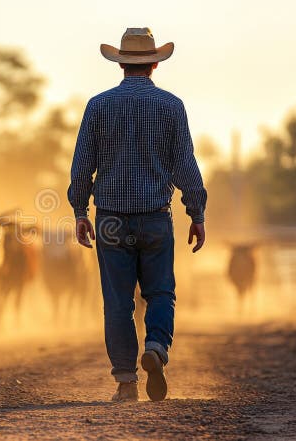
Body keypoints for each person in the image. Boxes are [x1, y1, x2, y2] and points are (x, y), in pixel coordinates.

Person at [67, 27, 207, 402]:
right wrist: (197, 212)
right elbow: (185, 166)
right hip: (155, 217)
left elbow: (82, 167)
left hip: (110, 218)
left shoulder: (98, 106)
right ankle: (157, 347)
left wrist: (80, 210)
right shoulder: (171, 106)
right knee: (160, 292)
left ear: (120, 64)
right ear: (155, 64)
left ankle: (126, 381)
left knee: (117, 301)